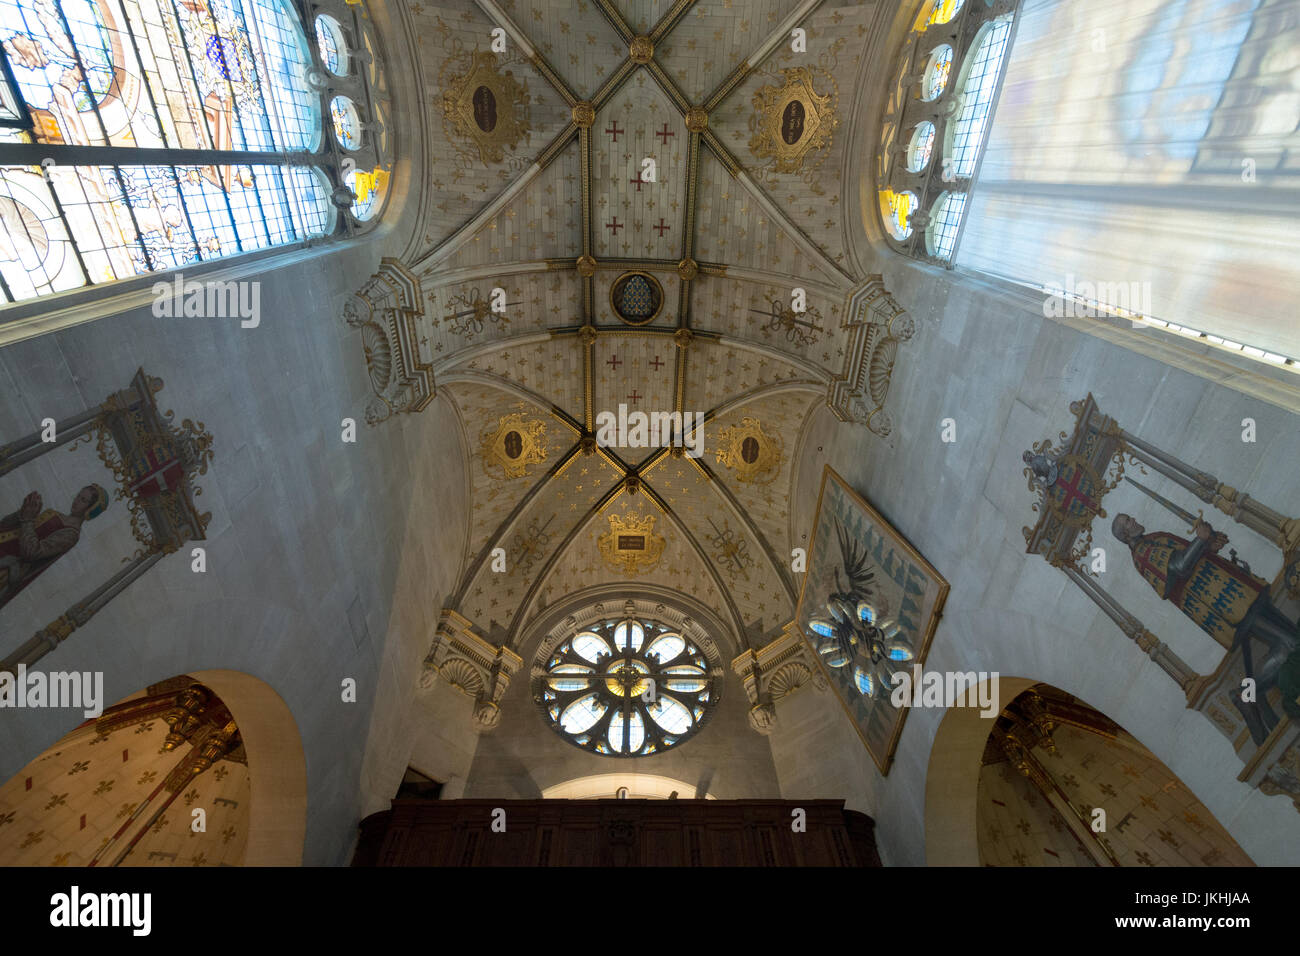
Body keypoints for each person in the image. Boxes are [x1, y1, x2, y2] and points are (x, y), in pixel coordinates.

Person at [1112, 512, 1298, 744]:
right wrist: (1200, 539)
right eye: (1128, 521)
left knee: (1293, 636)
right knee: (1289, 644)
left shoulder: (1153, 538)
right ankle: (1245, 695)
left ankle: (1251, 695)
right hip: (1225, 601)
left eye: (1130, 517)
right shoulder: (1142, 553)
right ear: (1125, 533)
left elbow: (1190, 560)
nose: (1134, 520)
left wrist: (1209, 544)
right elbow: (1179, 567)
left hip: (1236, 588)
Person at [0, 484, 108, 611]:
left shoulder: (71, 535)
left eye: (83, 500)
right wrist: (23, 512)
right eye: (79, 496)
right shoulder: (53, 513)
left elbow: (31, 553)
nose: (76, 501)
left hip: (7, 566)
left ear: (90, 509)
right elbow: (7, 525)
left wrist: (27, 520)